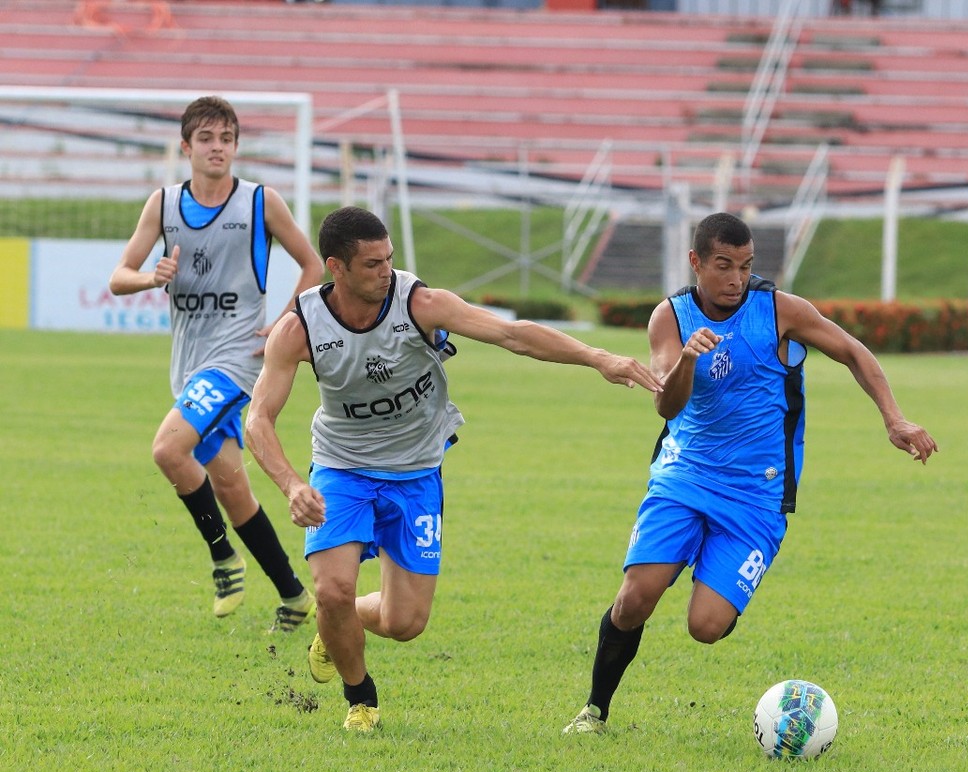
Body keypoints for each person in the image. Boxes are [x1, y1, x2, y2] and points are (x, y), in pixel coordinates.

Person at [244, 205, 662, 732]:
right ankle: (361, 700)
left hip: (417, 470)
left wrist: (599, 357)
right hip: (340, 468)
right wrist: (290, 485)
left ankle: (334, 628)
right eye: (372, 264)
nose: (386, 271)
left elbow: (513, 334)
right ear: (336, 267)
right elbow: (258, 418)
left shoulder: (421, 304)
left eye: (389, 259)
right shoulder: (299, 329)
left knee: (404, 622)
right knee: (332, 591)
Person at [562, 212, 938, 736]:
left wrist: (894, 418)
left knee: (705, 626)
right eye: (723, 265)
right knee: (634, 599)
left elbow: (853, 351)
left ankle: (716, 577)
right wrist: (688, 361)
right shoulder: (670, 317)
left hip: (757, 494)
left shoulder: (780, 310)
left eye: (745, 265)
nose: (736, 278)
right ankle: (595, 711)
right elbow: (666, 405)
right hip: (685, 476)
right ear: (696, 262)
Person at [110, 95, 326, 630]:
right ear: (186, 147)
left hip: (236, 360)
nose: (217, 148)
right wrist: (151, 277)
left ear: (235, 147)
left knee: (167, 449)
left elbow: (312, 265)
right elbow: (119, 277)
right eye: (206, 139)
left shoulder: (260, 202)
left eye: (226, 139)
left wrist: (283, 321)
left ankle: (223, 558)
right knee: (232, 489)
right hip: (189, 364)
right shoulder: (163, 204)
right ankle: (295, 595)